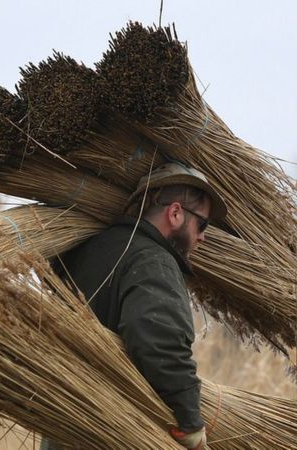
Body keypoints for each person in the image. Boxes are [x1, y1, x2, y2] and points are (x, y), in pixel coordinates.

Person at [44, 161, 227, 449]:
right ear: (176, 213)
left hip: (65, 423)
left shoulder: (86, 246)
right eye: (202, 224)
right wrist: (190, 422)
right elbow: (159, 343)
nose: (203, 236)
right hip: (110, 432)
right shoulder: (152, 260)